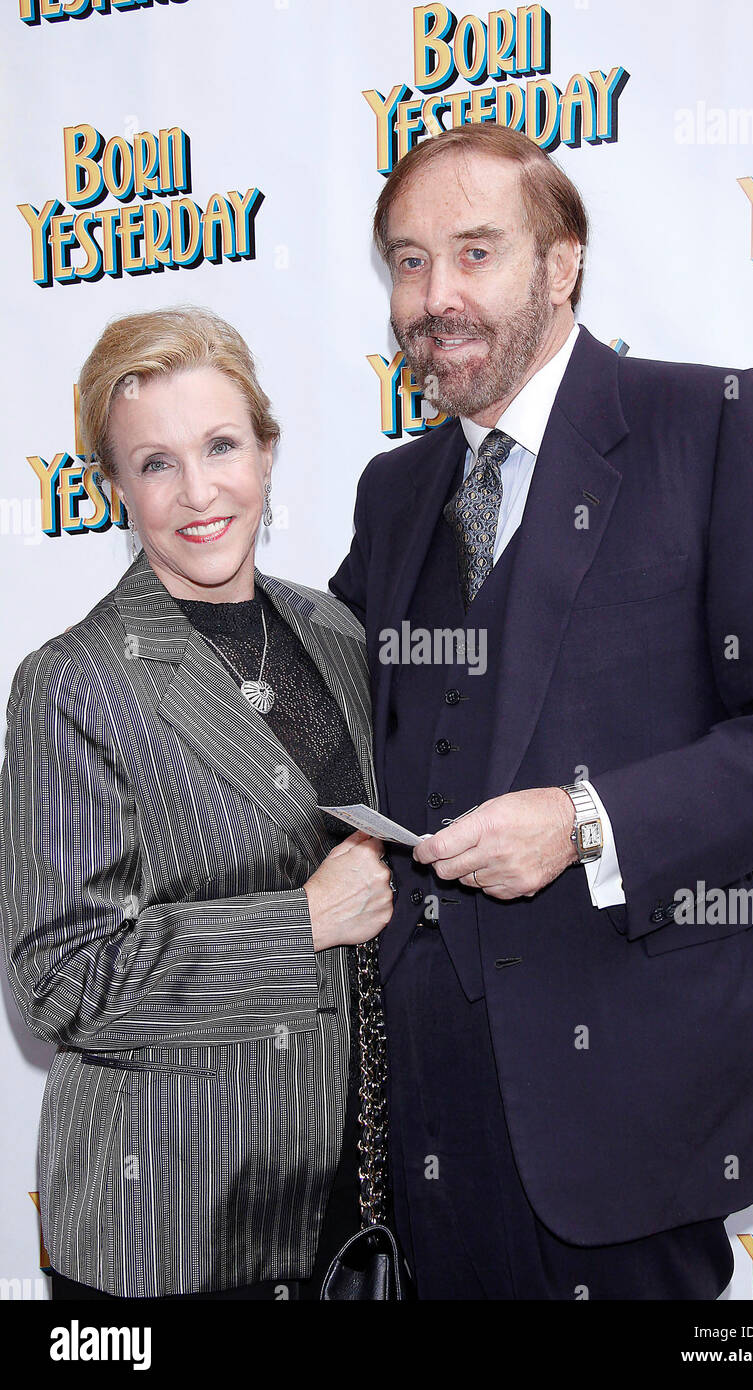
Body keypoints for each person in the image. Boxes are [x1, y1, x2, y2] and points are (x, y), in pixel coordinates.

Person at [329, 123, 753, 1300]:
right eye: (409, 263)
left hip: (624, 1090)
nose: (435, 297)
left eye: (475, 252)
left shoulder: (711, 425)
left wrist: (583, 822)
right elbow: (335, 724)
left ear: (561, 262)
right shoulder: (393, 491)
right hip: (423, 1107)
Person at [0, 306, 393, 1299]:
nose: (198, 491)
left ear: (266, 450)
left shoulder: (334, 631)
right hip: (171, 1228)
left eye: (221, 445)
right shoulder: (71, 682)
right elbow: (58, 980)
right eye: (155, 463)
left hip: (342, 1205)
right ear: (112, 488)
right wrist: (301, 921)